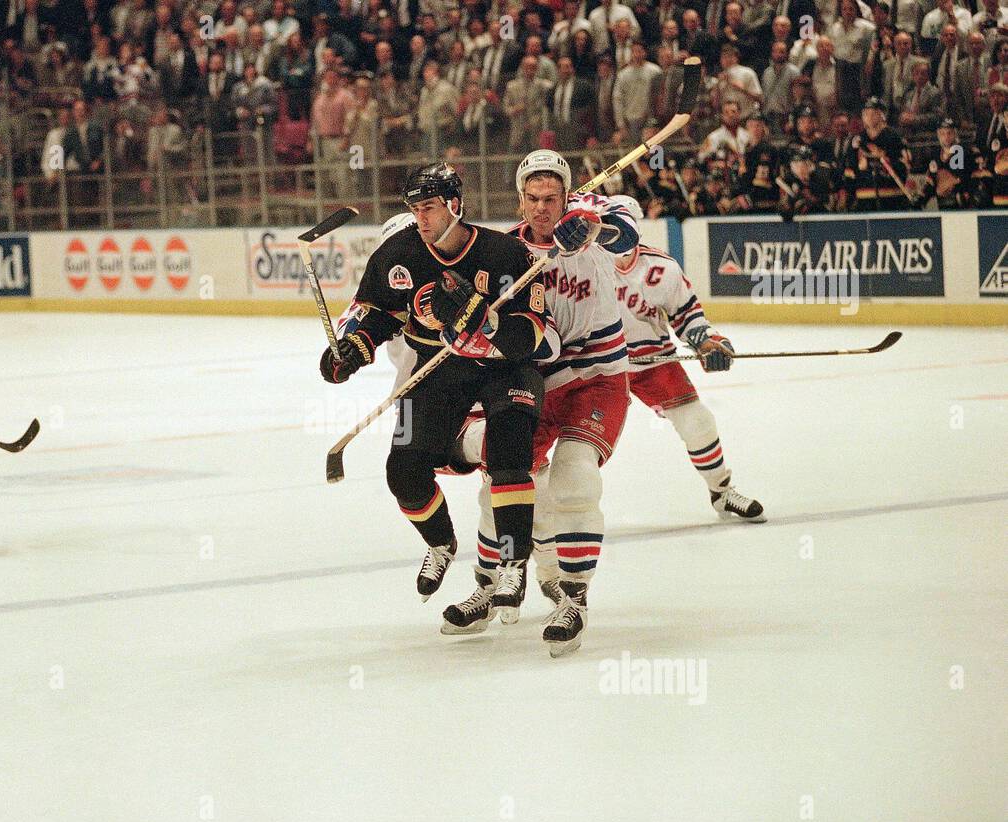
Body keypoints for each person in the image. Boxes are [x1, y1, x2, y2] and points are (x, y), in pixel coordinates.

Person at [319, 164, 553, 624]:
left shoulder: (505, 253)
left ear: (454, 205)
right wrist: (354, 350)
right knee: (403, 469)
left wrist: (483, 320)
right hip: (438, 368)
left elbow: (532, 336)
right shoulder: (397, 254)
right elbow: (380, 316)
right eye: (414, 208)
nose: (420, 217)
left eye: (428, 207)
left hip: (501, 364)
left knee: (508, 449)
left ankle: (511, 561)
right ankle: (440, 543)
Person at [443, 151, 639, 657]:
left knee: (575, 477)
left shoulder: (591, 212)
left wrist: (593, 228)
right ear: (520, 198)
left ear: (567, 194)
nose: (542, 208)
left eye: (552, 199)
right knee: (502, 476)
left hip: (597, 376)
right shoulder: (507, 251)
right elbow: (521, 331)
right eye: (532, 199)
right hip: (538, 376)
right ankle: (489, 585)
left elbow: (628, 229)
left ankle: (573, 599)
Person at [611, 195, 765, 525]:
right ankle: (550, 512)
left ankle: (721, 492)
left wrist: (706, 340)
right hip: (600, 364)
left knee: (698, 422)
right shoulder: (585, 265)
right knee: (577, 446)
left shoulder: (661, 267)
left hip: (653, 362)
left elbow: (687, 314)